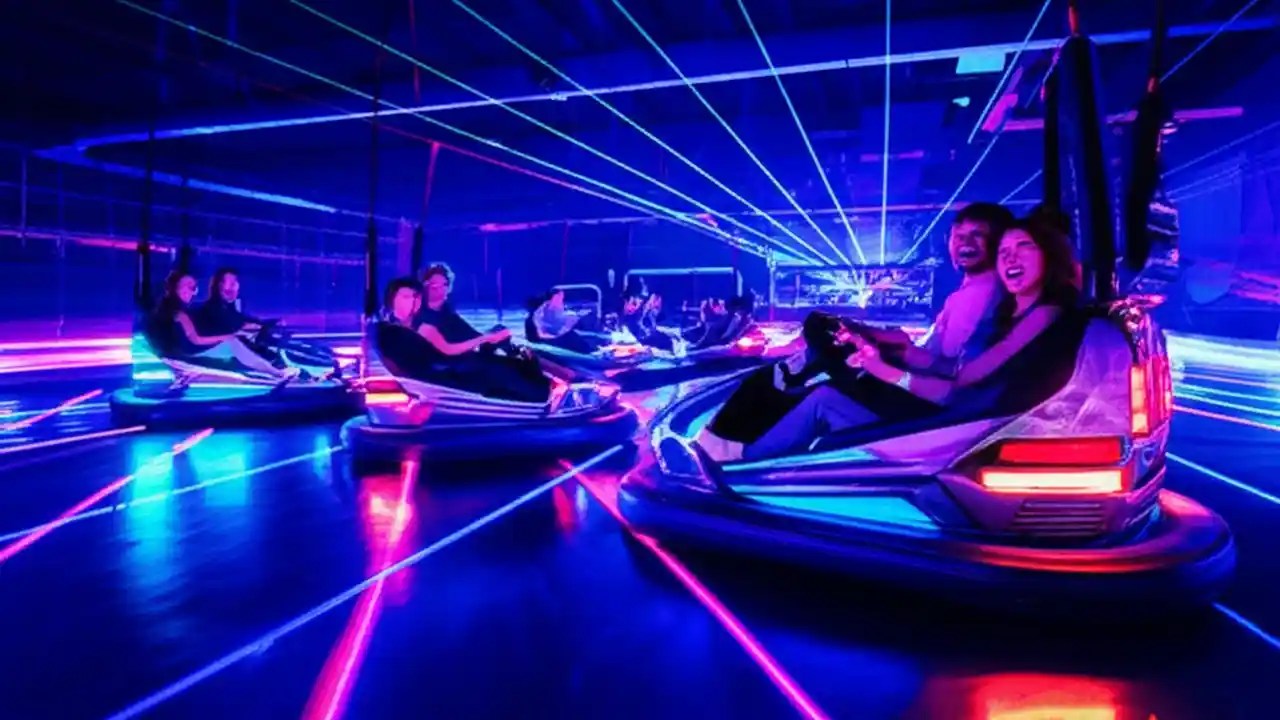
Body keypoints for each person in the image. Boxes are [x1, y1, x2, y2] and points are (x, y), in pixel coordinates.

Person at [732, 217, 1081, 461]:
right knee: (829, 386)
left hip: (952, 431)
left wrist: (885, 369)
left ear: (1050, 257)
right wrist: (888, 350)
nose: (1010, 257)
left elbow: (960, 384)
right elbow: (956, 369)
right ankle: (758, 447)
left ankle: (735, 469)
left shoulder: (1044, 314)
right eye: (1005, 250)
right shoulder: (1011, 314)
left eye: (1024, 247)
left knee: (825, 399)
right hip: (956, 418)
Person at [700, 202, 1016, 451]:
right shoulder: (969, 292)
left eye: (977, 235)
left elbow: (950, 372)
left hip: (929, 410)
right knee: (812, 361)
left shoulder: (981, 296)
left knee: (815, 394)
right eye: (959, 235)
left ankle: (740, 459)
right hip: (922, 392)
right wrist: (868, 337)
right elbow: (930, 354)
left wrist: (888, 367)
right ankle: (760, 418)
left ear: (996, 242)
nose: (965, 243)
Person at [404, 268, 552, 403]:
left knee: (512, 355)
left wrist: (493, 337)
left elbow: (469, 333)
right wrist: (484, 339)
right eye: (435, 285)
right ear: (424, 287)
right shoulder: (423, 319)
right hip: (447, 366)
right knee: (503, 369)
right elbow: (447, 349)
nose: (441, 290)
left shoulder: (446, 312)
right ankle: (535, 397)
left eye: (444, 285)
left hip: (465, 358)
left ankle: (542, 382)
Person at [148, 271, 298, 381]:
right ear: (174, 288)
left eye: (194, 288)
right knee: (232, 344)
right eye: (188, 287)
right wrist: (225, 337)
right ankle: (275, 373)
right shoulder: (179, 313)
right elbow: (196, 340)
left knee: (237, 343)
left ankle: (270, 369)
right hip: (187, 354)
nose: (192, 292)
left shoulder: (169, 311)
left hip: (179, 352)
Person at [191, 267, 267, 336]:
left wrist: (265, 323)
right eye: (231, 282)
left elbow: (241, 318)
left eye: (235, 281)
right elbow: (227, 324)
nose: (235, 285)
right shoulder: (212, 307)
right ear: (220, 285)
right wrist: (244, 326)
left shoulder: (229, 306)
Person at [527, 288, 600, 354]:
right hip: (548, 339)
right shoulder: (542, 313)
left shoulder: (554, 309)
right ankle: (590, 351)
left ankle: (592, 349)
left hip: (554, 335)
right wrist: (565, 326)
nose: (561, 300)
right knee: (572, 337)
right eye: (559, 297)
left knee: (574, 334)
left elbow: (557, 322)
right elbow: (544, 332)